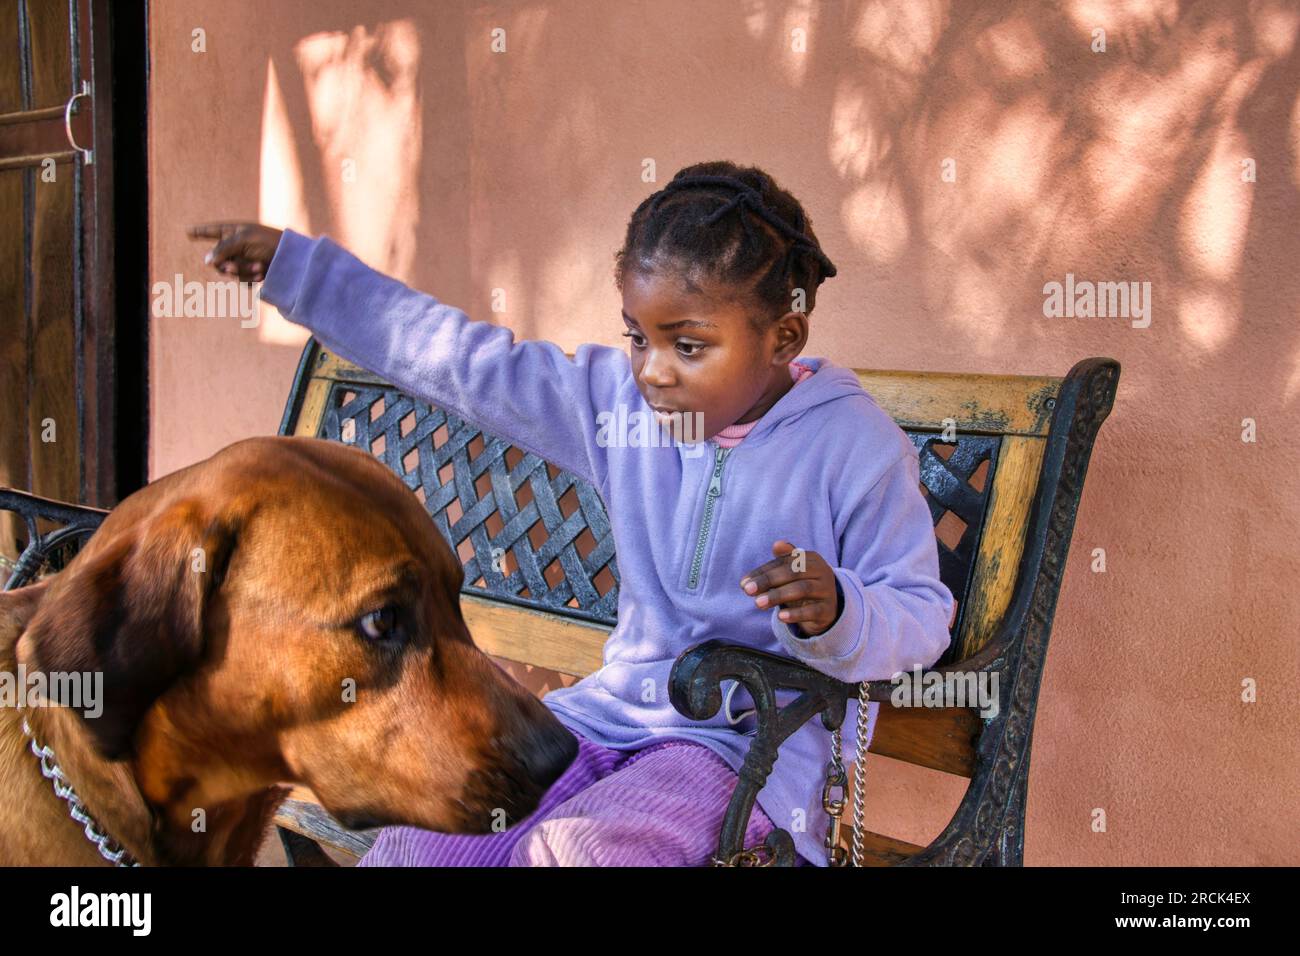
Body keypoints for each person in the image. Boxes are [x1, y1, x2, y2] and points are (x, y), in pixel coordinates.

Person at [189, 159, 955, 867]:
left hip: (745, 756)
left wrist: (840, 611)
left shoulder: (854, 446)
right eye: (637, 337)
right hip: (611, 720)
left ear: (782, 337)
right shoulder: (619, 408)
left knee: (577, 855)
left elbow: (920, 617)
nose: (652, 371)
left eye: (688, 346)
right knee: (424, 846)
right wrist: (303, 274)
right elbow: (463, 360)